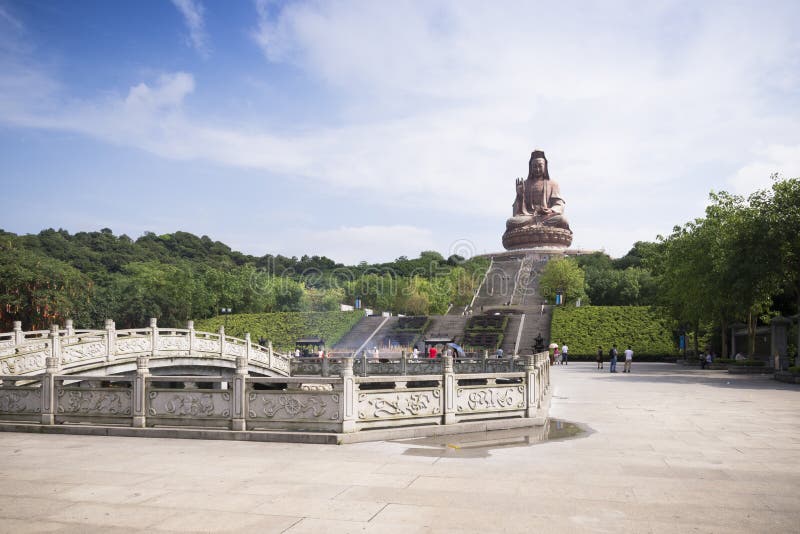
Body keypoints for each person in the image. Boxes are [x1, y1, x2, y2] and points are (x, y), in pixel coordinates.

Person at [505, 150, 571, 232]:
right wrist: (519, 195)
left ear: (545, 166)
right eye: (535, 166)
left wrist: (550, 210)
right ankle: (537, 226)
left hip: (547, 217)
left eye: (540, 166)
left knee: (562, 219)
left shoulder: (553, 184)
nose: (537, 169)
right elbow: (516, 212)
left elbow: (559, 204)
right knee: (510, 222)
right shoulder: (525, 184)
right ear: (531, 168)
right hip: (529, 217)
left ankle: (537, 227)